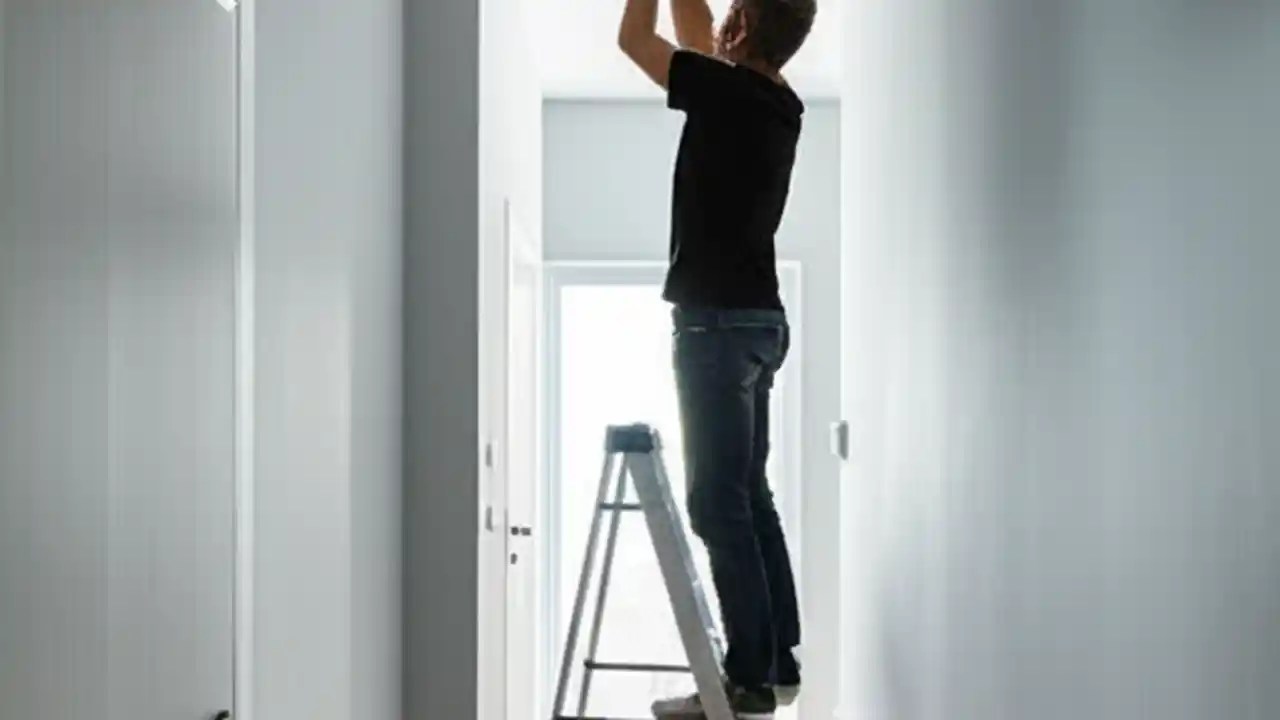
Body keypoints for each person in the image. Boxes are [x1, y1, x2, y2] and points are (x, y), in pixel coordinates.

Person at [617, 0, 816, 717]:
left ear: (742, 29)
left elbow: (634, 38)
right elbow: (698, 36)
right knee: (749, 496)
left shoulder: (724, 88)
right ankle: (779, 659)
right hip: (759, 323)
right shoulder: (778, 102)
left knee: (716, 504)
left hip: (717, 326)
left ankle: (748, 683)